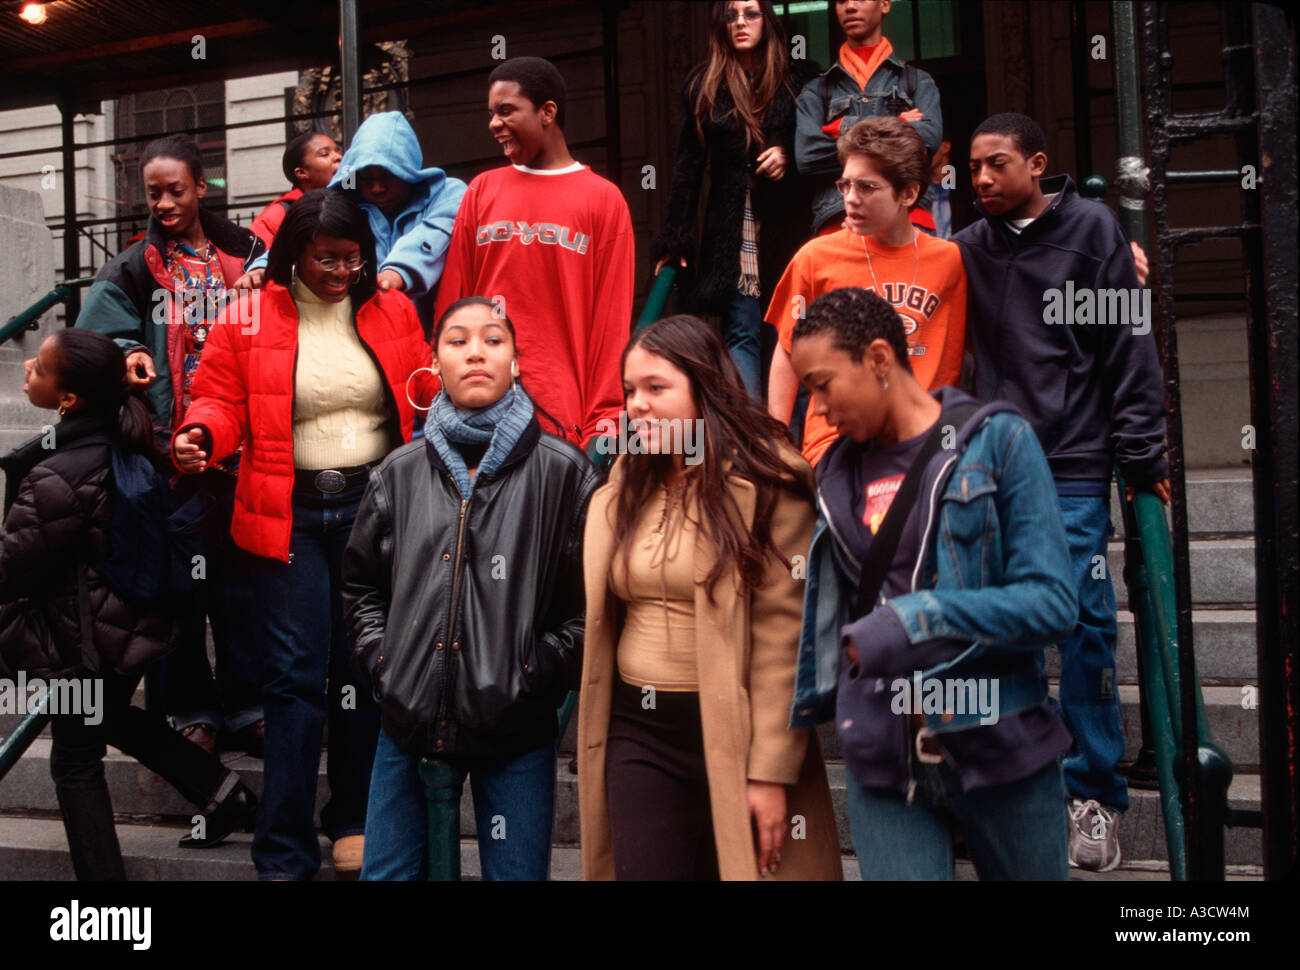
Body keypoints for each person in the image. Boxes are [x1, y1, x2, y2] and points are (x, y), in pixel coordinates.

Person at [170, 189, 436, 881]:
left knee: (362, 670)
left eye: (353, 259)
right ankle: (281, 845)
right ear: (294, 253)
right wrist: (200, 434)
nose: (343, 273)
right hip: (285, 513)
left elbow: (423, 391)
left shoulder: (393, 308)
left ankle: (353, 820)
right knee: (293, 679)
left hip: (373, 510)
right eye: (327, 260)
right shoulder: (250, 313)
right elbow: (218, 397)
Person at [788, 287, 1078, 880]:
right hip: (885, 758)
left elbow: (1053, 602)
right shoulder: (831, 475)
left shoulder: (998, 441)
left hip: (1000, 744)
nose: (815, 408)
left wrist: (915, 619)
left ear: (877, 359)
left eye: (822, 384)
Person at [954, 113, 1170, 872]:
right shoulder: (966, 250)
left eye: (997, 164)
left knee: (1082, 629)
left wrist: (1145, 457)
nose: (980, 179)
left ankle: (1093, 796)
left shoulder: (1092, 231)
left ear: (1037, 164)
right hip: (991, 466)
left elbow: (1128, 346)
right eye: (973, 167)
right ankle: (1004, 787)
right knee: (993, 629)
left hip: (1076, 463)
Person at [576, 316, 842, 881]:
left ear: (704, 387)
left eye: (655, 388)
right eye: (629, 391)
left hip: (734, 731)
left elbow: (783, 640)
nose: (637, 405)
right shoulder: (626, 481)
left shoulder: (768, 482)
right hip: (638, 728)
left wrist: (770, 772)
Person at [344, 296, 600, 881]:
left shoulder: (565, 473)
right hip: (407, 718)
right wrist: (387, 663)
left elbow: (590, 605)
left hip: (515, 724)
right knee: (386, 875)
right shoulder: (399, 472)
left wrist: (532, 669)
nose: (476, 352)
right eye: (457, 341)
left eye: (493, 339)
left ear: (517, 360)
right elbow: (360, 588)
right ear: (434, 364)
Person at [0, 329, 258, 881]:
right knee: (109, 716)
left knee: (73, 761)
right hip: (129, 626)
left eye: (39, 367)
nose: (26, 369)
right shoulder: (125, 440)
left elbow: (11, 566)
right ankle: (223, 793)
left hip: (87, 640)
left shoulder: (58, 473)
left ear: (67, 397)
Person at [76, 133, 264, 760]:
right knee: (179, 590)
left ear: (200, 187)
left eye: (174, 190)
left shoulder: (247, 250)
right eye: (152, 193)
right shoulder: (131, 265)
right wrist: (129, 352)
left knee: (242, 586)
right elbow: (94, 337)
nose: (162, 203)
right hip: (169, 452)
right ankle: (191, 713)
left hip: (244, 447)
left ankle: (248, 706)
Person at [433, 56, 635, 448]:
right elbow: (453, 303)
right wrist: (442, 383)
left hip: (562, 419)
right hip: (478, 410)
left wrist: (604, 421)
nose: (494, 123)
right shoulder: (481, 190)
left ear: (547, 112)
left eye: (506, 111)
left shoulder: (604, 200)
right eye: (491, 113)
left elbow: (611, 323)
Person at [767, 117, 966, 467]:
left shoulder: (950, 261)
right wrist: (777, 442)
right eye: (845, 185)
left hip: (920, 445)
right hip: (835, 444)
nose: (850, 199)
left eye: (866, 188)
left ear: (908, 193)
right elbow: (787, 351)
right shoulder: (815, 257)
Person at [649, 0, 819, 399]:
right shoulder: (704, 84)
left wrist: (787, 155)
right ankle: (755, 438)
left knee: (790, 331)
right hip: (732, 224)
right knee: (741, 331)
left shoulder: (800, 78)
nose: (740, 22)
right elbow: (687, 167)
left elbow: (818, 142)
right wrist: (676, 237)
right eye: (731, 16)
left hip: (786, 222)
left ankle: (793, 440)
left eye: (751, 13)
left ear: (767, 20)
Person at [795, 0, 942, 236]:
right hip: (837, 219)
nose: (850, 7)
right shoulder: (815, 90)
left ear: (884, 4)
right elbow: (807, 157)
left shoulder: (918, 81)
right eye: (842, 1)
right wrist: (899, 125)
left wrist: (842, 126)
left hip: (909, 220)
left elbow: (929, 140)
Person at [249, 131, 343, 248]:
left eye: (339, 152)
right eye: (325, 154)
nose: (338, 157)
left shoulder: (355, 202)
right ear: (302, 173)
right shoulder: (277, 216)